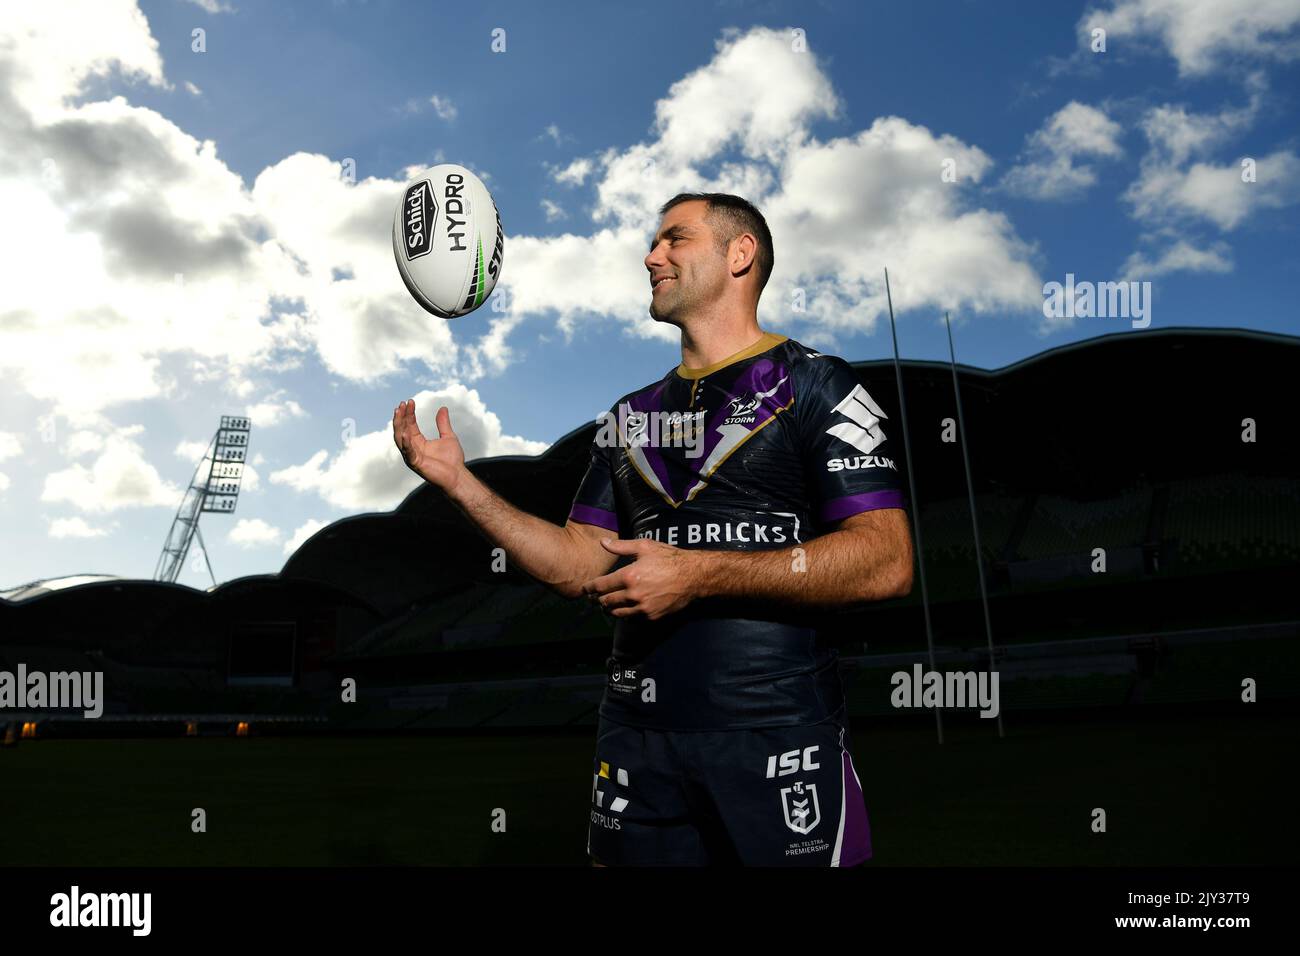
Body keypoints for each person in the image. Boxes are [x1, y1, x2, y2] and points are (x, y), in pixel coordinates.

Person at [393, 193, 913, 866]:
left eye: (675, 239)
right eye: (653, 243)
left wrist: (699, 575)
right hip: (635, 741)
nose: (651, 255)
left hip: (777, 735)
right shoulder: (629, 415)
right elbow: (580, 565)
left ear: (740, 254)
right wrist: (460, 484)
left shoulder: (817, 384)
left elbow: (886, 561)